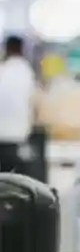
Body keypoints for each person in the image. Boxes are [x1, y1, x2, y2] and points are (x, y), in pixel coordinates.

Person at [0, 36, 37, 173]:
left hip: (2, 136)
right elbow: (33, 102)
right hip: (19, 137)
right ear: (22, 49)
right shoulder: (27, 72)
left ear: (6, 49)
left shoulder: (3, 70)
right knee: (16, 179)